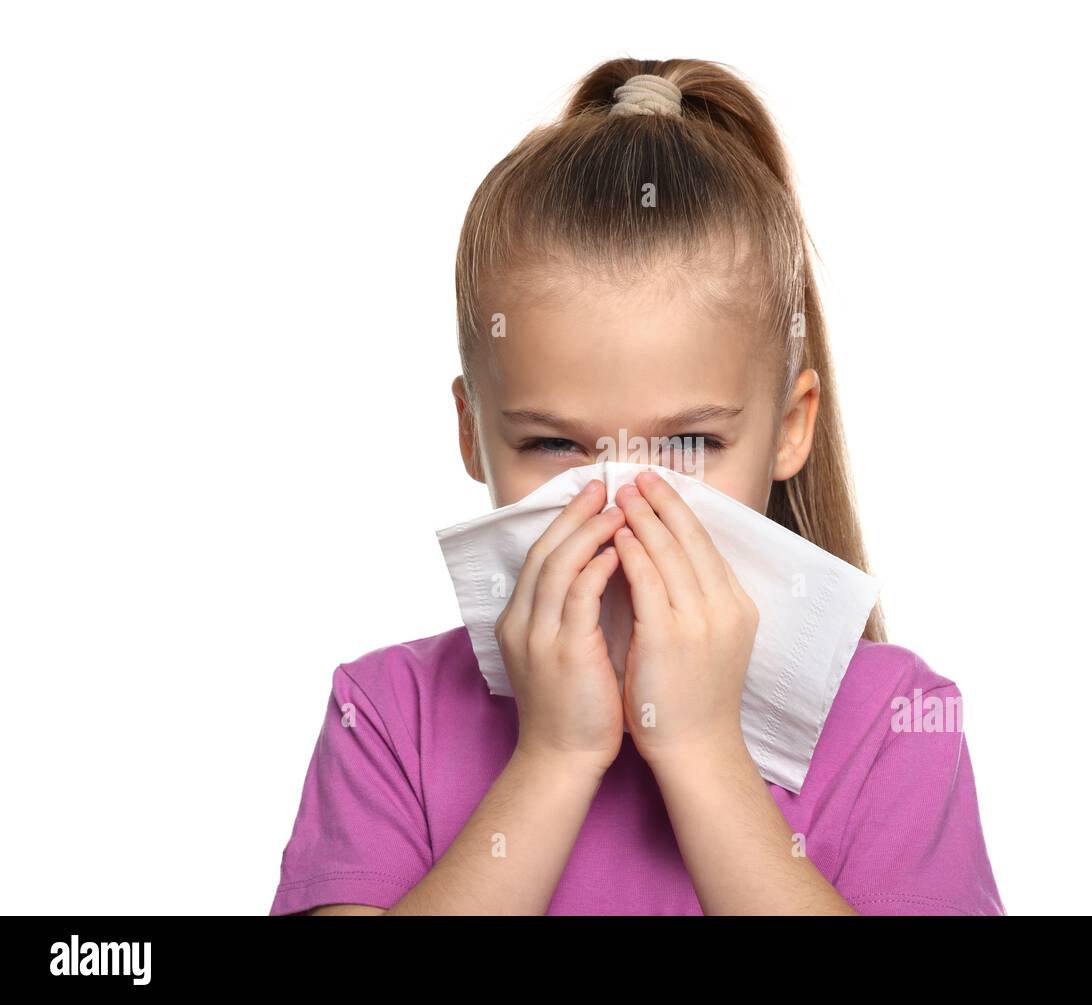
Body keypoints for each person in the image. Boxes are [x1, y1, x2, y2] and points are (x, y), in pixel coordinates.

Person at [269, 58, 1005, 916]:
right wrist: (553, 758)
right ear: (472, 432)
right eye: (554, 443)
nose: (622, 504)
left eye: (690, 443)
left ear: (790, 428)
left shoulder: (897, 722)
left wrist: (703, 752)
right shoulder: (385, 717)